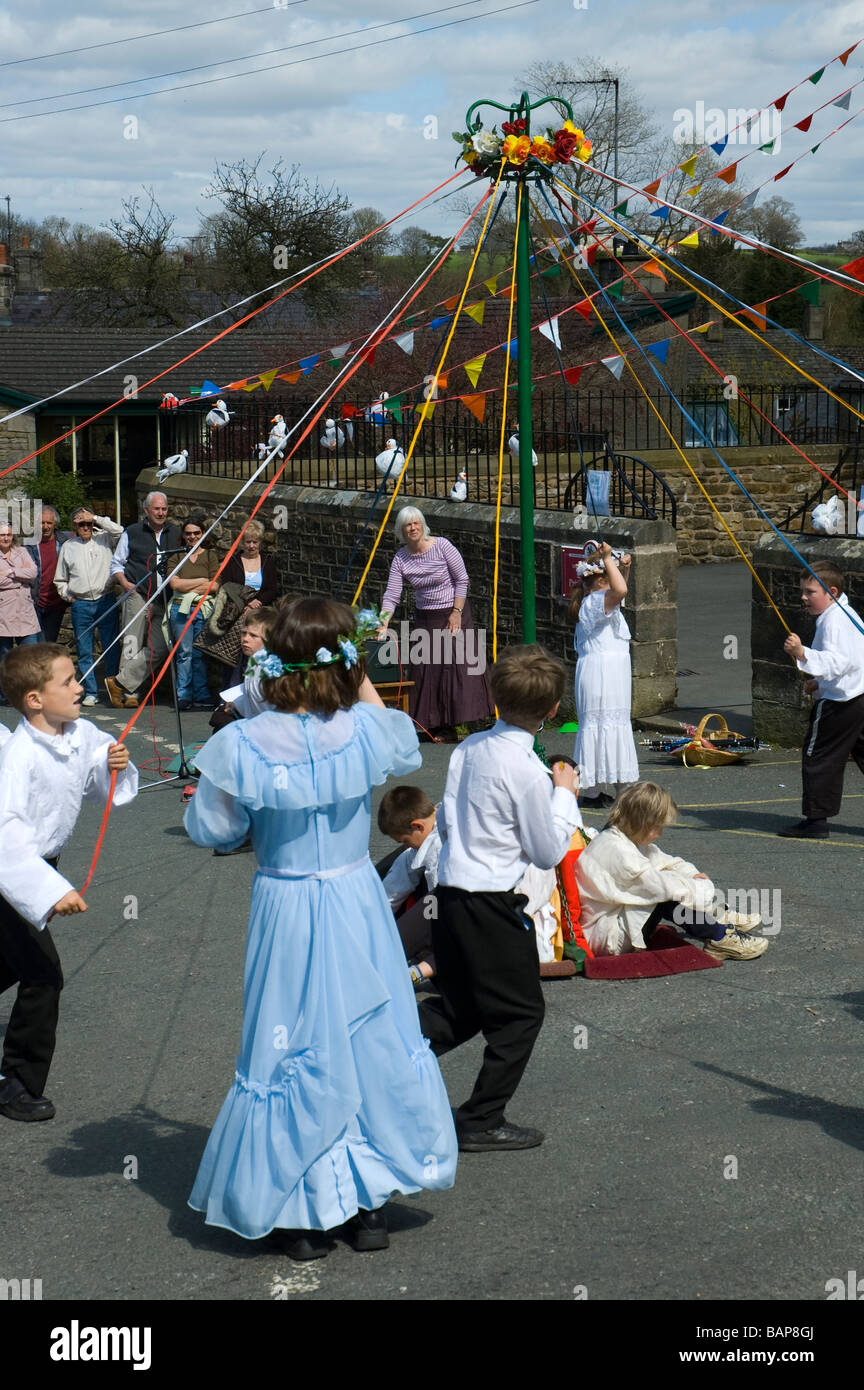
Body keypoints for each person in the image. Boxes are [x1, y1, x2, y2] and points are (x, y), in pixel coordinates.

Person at [184, 597, 457, 1259]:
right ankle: (366, 1207)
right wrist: (351, 669)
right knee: (367, 1033)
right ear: (341, 662)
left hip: (287, 902)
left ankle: (302, 1212)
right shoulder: (364, 730)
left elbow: (214, 828)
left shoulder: (243, 740)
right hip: (354, 898)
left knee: (290, 1041)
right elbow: (398, 739)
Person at [418, 644, 581, 1152]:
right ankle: (482, 1118)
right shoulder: (529, 771)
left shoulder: (467, 748)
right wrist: (565, 794)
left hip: (450, 893)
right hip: (490, 900)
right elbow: (545, 849)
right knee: (520, 1014)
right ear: (553, 709)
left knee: (463, 1005)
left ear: (492, 694)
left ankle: (380, 1060)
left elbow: (447, 818)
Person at [0, 643, 137, 1122]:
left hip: (41, 865)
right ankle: (16, 1082)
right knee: (42, 973)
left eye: (76, 677)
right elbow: (4, 839)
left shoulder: (78, 732)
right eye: (68, 682)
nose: (81, 687)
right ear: (35, 700)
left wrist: (112, 763)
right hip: (13, 873)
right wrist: (50, 891)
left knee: (9, 964)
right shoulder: (17, 757)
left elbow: (100, 763)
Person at [575, 782, 768, 961]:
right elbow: (661, 887)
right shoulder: (617, 851)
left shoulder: (624, 837)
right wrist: (702, 889)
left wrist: (692, 876)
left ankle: (718, 916)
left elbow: (668, 862)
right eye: (657, 828)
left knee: (673, 883)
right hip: (606, 935)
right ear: (642, 822)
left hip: (616, 919)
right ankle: (718, 935)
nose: (660, 833)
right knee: (665, 896)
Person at [378, 506, 492, 740]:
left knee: (461, 667)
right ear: (401, 530)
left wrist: (456, 612)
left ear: (423, 524)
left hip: (453, 612)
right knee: (428, 671)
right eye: (408, 525)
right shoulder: (401, 558)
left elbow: (462, 579)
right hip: (426, 617)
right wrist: (383, 622)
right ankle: (440, 728)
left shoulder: (442, 546)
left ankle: (478, 723)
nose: (412, 528)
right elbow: (392, 594)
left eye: (416, 523)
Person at [779, 562, 864, 839]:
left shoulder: (834, 621)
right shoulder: (845, 613)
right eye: (802, 591)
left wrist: (802, 652)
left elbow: (838, 662)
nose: (803, 597)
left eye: (810, 591)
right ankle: (816, 818)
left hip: (841, 703)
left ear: (832, 592)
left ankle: (816, 822)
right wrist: (819, 682)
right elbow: (853, 661)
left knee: (818, 756)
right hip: (859, 695)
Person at [568, 541, 639, 808]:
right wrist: (609, 557)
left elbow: (621, 588)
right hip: (601, 674)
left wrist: (623, 567)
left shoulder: (601, 600)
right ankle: (594, 790)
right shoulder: (596, 601)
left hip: (609, 671)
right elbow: (621, 590)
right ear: (600, 582)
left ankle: (601, 788)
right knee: (602, 724)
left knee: (613, 723)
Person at [105, 491, 182, 709]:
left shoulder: (175, 533)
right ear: (146, 510)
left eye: (164, 509)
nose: (161, 513)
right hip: (138, 595)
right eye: (156, 509)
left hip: (165, 598)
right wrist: (126, 584)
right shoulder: (132, 532)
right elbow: (116, 564)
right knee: (132, 641)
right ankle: (130, 693)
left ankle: (120, 682)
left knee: (160, 646)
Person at [55, 507, 125, 707]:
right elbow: (60, 579)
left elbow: (120, 531)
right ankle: (91, 691)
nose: (86, 527)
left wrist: (95, 517)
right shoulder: (68, 546)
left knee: (111, 647)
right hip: (81, 604)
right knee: (84, 650)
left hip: (105, 599)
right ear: (74, 526)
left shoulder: (104, 538)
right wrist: (70, 598)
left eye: (88, 523)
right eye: (81, 524)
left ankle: (113, 688)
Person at [377, 785, 440, 986]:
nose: (405, 845)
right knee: (395, 865)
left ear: (418, 826)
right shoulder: (428, 830)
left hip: (450, 907)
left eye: (404, 840)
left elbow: (440, 907)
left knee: (432, 907)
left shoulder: (439, 849)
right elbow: (396, 884)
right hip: (437, 902)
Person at [168, 512, 220, 711]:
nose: (192, 537)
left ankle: (201, 694)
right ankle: (184, 695)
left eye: (196, 533)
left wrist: (187, 584)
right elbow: (174, 584)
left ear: (203, 534)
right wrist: (201, 582)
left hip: (202, 609)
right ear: (183, 535)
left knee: (199, 654)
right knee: (184, 653)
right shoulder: (176, 557)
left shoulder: (210, 556)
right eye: (188, 533)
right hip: (180, 609)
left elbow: (214, 586)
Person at [26, 506, 72, 643]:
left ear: (55, 524)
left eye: (49, 523)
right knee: (34, 646)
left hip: (56, 604)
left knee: (47, 645)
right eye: (42, 523)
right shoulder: (27, 545)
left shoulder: (66, 541)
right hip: (35, 603)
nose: (45, 526)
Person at [0, 522, 40, 665]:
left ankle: (28, 688)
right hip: (4, 614)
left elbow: (33, 573)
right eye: (2, 535)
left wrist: (10, 572)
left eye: (9, 535)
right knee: (5, 659)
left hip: (25, 613)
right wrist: (22, 579)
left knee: (30, 658)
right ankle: (5, 688)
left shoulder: (22, 551)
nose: (6, 538)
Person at [220, 519, 279, 613]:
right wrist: (248, 602)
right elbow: (227, 585)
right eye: (248, 542)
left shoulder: (268, 562)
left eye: (255, 542)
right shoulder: (233, 561)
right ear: (242, 542)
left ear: (260, 542)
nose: (251, 546)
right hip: (237, 609)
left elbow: (272, 589)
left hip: (262, 608)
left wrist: (258, 603)